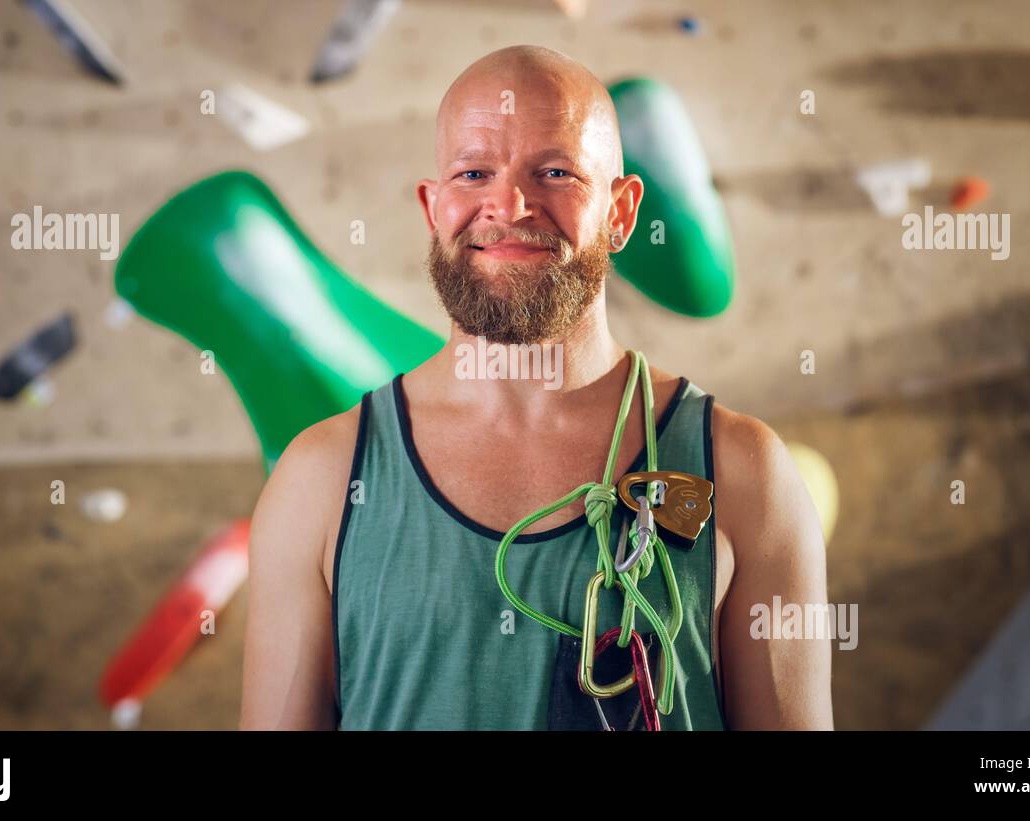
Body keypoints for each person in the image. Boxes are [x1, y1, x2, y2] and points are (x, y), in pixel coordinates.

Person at [240, 45, 832, 730]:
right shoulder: (321, 479)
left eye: (554, 172)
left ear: (622, 210)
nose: (509, 205)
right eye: (473, 172)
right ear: (433, 208)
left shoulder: (742, 471)